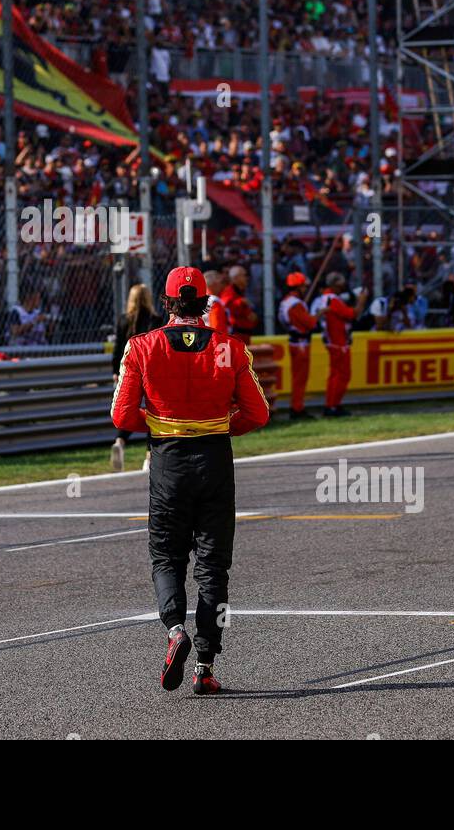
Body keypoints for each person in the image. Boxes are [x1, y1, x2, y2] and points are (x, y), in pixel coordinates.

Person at [111, 265, 269, 696]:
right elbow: (258, 413)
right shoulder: (230, 347)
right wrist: (218, 427)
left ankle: (175, 629)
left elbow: (121, 415)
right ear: (205, 303)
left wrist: (159, 423)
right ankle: (205, 666)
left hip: (168, 463)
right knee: (214, 567)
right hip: (215, 460)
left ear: (167, 303)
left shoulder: (141, 346)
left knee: (166, 555)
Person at [110, 283, 161, 471]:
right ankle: (148, 457)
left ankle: (120, 441)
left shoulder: (124, 320)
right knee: (153, 411)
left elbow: (117, 350)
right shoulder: (155, 320)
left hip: (128, 369)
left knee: (128, 410)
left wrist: (116, 371)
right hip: (150, 370)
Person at [319, 272, 367, 417]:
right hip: (338, 343)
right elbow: (353, 314)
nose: (343, 287)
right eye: (340, 284)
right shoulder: (332, 299)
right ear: (335, 284)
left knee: (335, 375)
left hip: (334, 341)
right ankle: (333, 406)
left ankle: (333, 405)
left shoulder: (326, 298)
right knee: (342, 375)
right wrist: (361, 300)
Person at [278, 271, 317, 420]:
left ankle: (297, 406)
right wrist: (319, 313)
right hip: (301, 344)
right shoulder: (295, 304)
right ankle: (297, 408)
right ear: (298, 287)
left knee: (297, 378)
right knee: (300, 378)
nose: (306, 289)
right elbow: (310, 323)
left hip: (294, 340)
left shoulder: (285, 301)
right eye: (304, 286)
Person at [220, 264, 258, 344]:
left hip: (245, 336)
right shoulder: (228, 292)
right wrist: (241, 302)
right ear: (236, 278)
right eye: (244, 275)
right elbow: (227, 308)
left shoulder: (240, 292)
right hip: (236, 336)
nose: (247, 278)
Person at [203, 269, 230, 335]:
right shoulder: (214, 301)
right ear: (213, 284)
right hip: (216, 341)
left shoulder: (201, 299)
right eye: (221, 282)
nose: (222, 286)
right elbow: (217, 328)